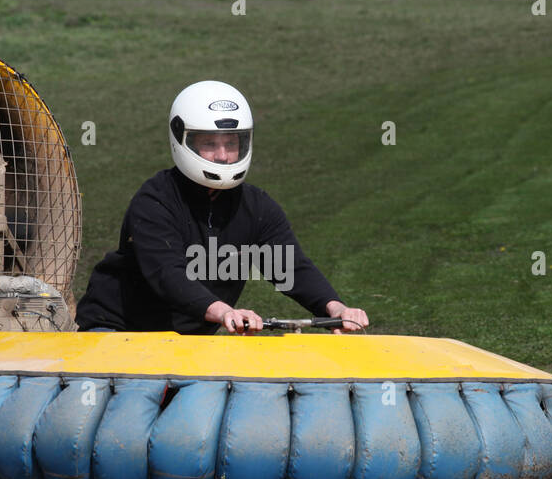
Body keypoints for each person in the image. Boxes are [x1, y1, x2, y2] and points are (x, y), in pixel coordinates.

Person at [75, 80, 369, 335]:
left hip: (187, 339)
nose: (223, 156)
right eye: (209, 144)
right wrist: (223, 311)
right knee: (136, 400)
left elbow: (290, 267)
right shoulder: (155, 201)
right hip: (118, 329)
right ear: (181, 139)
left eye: (231, 143)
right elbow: (168, 275)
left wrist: (335, 307)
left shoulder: (256, 207)